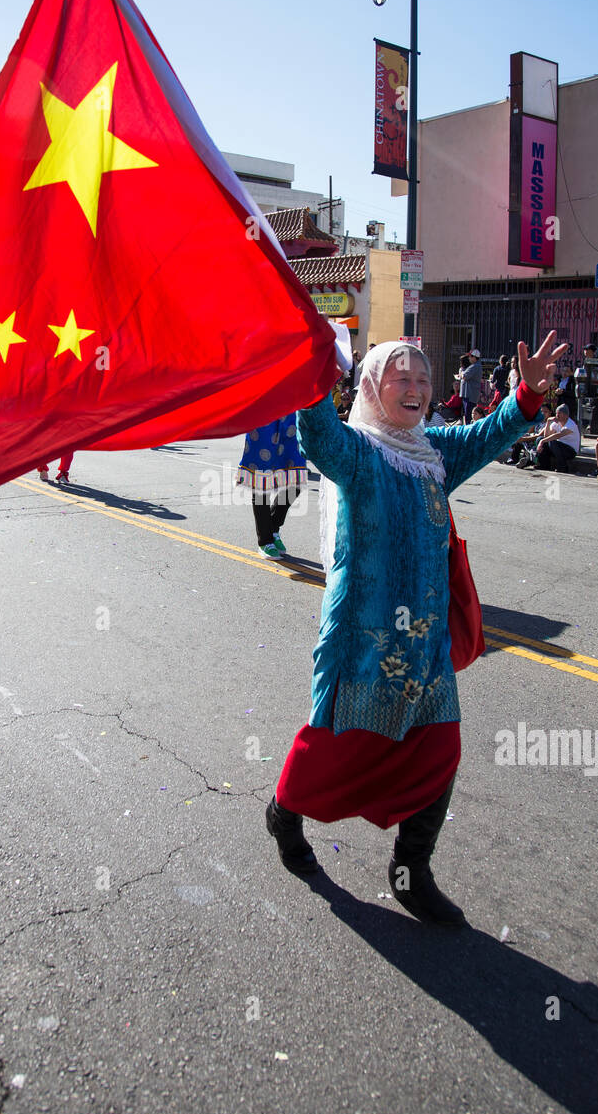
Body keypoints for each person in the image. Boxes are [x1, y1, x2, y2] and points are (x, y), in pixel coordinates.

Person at [265, 331, 566, 927]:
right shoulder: (357, 451)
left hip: (425, 645)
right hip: (363, 637)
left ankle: (411, 873)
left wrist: (527, 393)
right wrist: (310, 381)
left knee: (440, 750)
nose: (418, 388)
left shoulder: (434, 452)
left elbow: (489, 434)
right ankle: (284, 812)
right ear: (374, 386)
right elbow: (318, 435)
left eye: (424, 378)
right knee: (336, 745)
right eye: (402, 376)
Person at [237, 414, 306, 558]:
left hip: (291, 417)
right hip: (264, 417)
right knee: (261, 483)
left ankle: (273, 528)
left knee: (295, 482)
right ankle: (265, 540)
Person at [535, 403, 581, 473]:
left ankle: (562, 466)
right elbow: (546, 436)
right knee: (540, 439)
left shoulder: (571, 424)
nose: (557, 415)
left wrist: (542, 441)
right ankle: (544, 465)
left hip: (570, 451)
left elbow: (558, 435)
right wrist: (548, 422)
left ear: (566, 415)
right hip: (558, 448)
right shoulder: (556, 422)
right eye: (556, 413)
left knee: (551, 441)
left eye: (559, 413)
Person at [458, 349, 483, 423]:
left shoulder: (475, 366)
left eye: (470, 356)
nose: (469, 358)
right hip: (469, 394)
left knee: (469, 415)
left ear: (475, 357)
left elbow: (465, 376)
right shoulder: (474, 366)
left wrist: (461, 372)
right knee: (467, 414)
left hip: (470, 394)